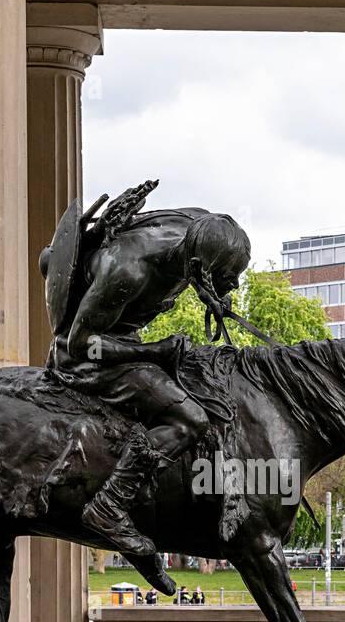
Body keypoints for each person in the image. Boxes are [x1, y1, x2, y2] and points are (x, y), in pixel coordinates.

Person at [42, 183, 251, 590]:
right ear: (198, 265)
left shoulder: (196, 227)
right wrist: (157, 351)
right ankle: (110, 505)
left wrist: (216, 294)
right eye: (226, 279)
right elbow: (80, 343)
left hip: (121, 342)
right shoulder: (129, 270)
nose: (235, 287)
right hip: (85, 357)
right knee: (189, 418)